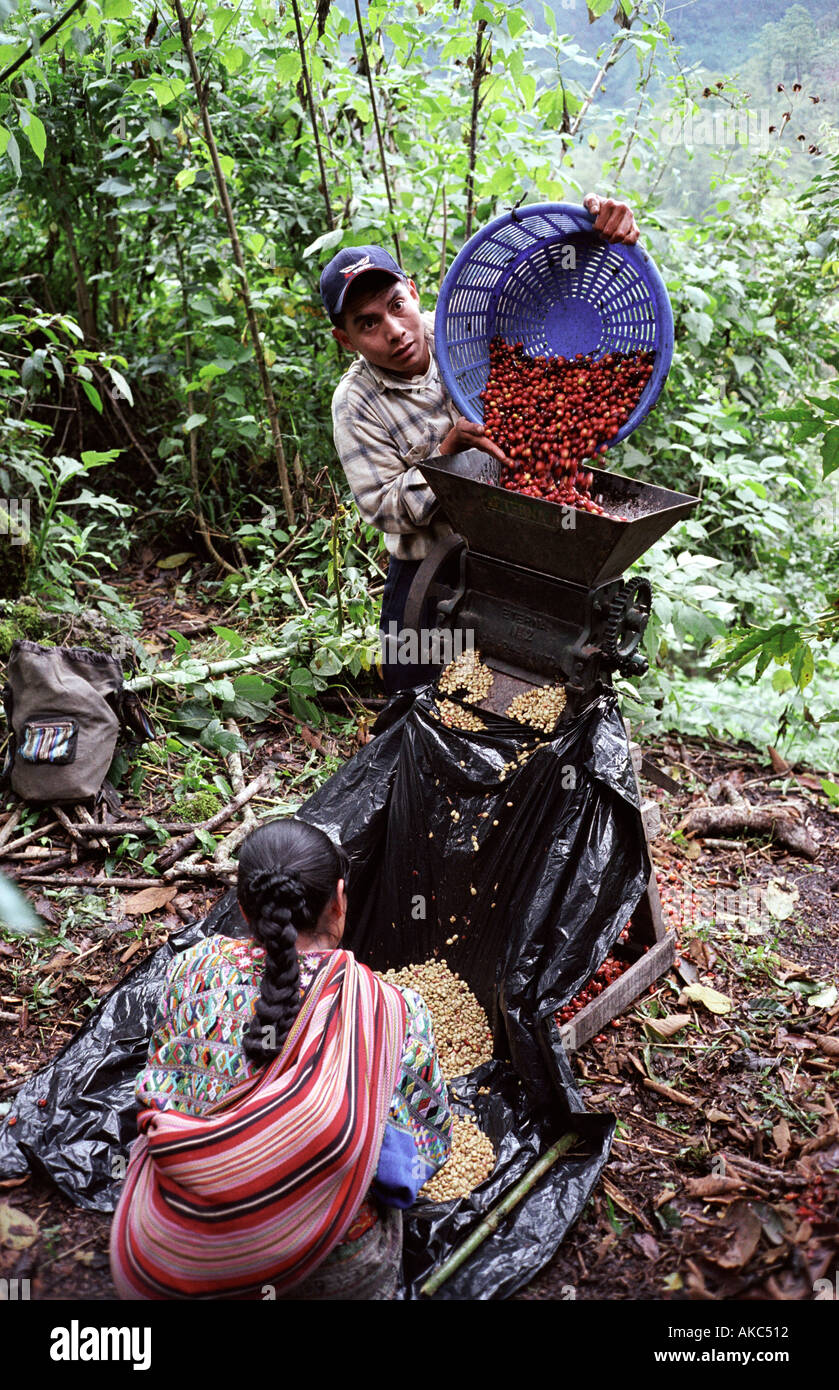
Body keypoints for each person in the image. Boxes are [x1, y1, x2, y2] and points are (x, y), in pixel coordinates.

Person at [110, 818, 452, 1300]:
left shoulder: (194, 967)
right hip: (326, 1272)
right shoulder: (391, 1010)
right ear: (339, 899)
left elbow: (162, 1084)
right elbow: (423, 1152)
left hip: (164, 1258)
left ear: (246, 910)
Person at [321, 195, 640, 695]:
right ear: (346, 339)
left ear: (413, 291)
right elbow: (383, 510)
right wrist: (448, 457)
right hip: (432, 572)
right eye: (368, 323)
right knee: (417, 701)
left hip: (521, 551)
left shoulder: (469, 329)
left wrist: (599, 230)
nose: (393, 330)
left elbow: (548, 300)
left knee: (530, 700)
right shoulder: (356, 402)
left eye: (396, 307)